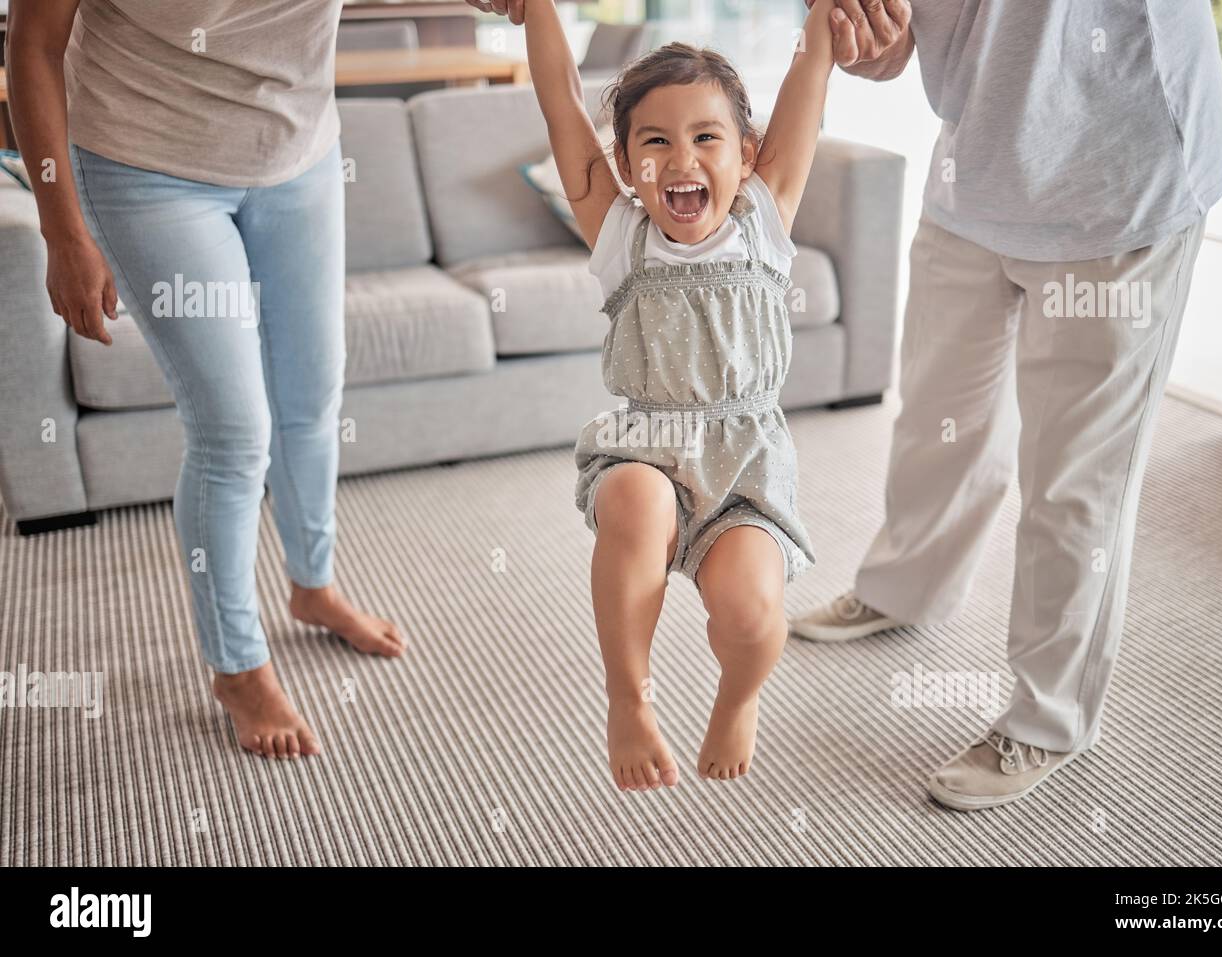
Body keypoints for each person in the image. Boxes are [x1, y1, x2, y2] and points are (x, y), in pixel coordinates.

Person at [789, 0, 1222, 810]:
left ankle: (1049, 716)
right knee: (936, 417)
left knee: (1073, 483)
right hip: (976, 168)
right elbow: (891, 45)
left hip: (1119, 179)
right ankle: (903, 586)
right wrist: (864, 31)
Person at [7, 0, 405, 760]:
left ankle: (312, 585)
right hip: (145, 166)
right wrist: (62, 232)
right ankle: (237, 665)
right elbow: (33, 42)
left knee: (312, 396)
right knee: (233, 434)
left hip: (301, 153)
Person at [501, 0, 849, 789]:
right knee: (631, 503)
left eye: (706, 138)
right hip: (646, 445)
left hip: (747, 467)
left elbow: (811, 79)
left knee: (755, 620)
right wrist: (540, 12)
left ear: (748, 156)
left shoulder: (766, 216)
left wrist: (828, 21)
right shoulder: (620, 233)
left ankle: (737, 698)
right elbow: (560, 101)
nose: (681, 159)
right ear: (625, 164)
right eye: (654, 142)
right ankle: (631, 700)